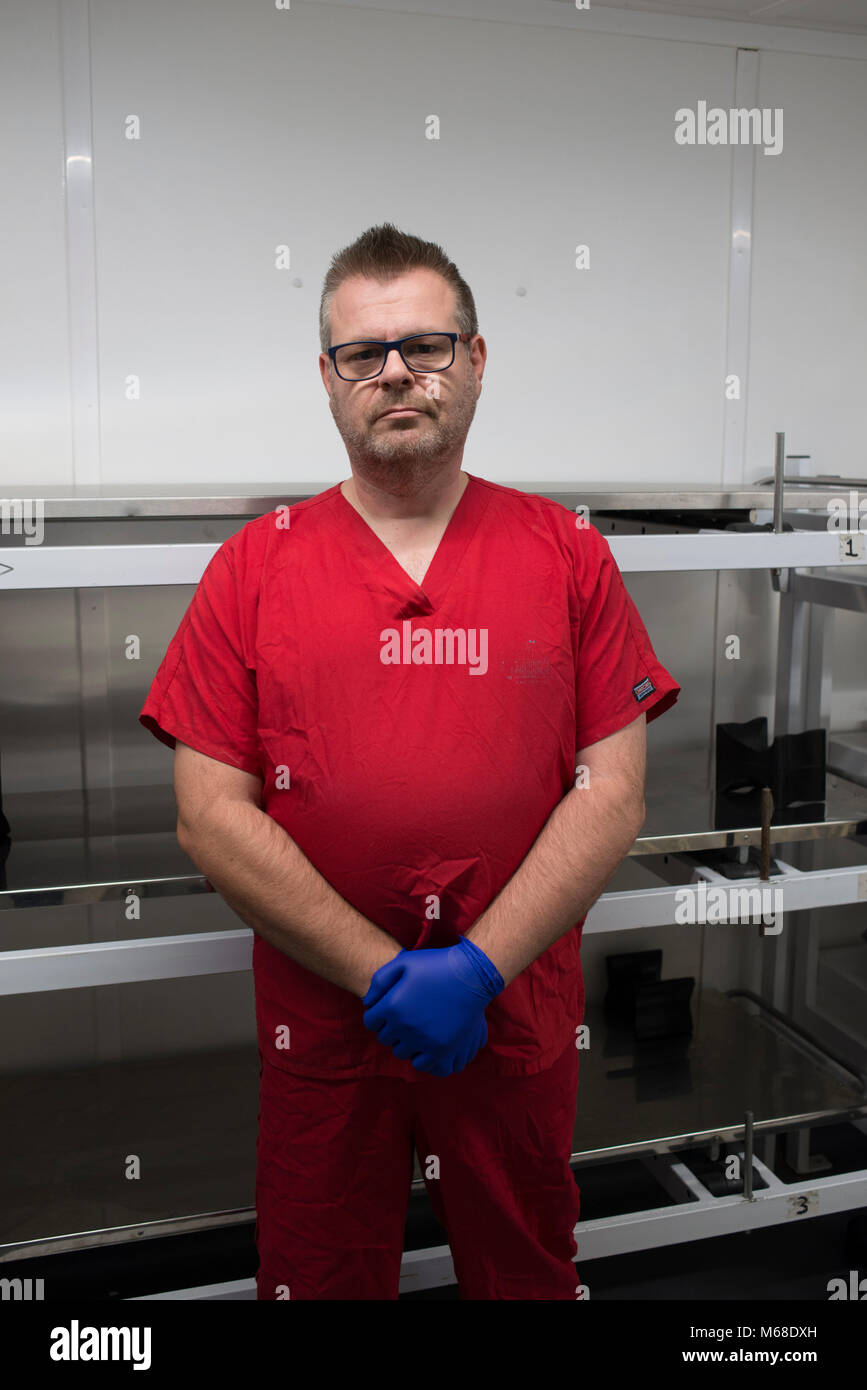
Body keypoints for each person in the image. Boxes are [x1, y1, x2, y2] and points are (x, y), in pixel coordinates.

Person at [139, 222, 680, 1300]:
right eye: (361, 352)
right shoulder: (252, 570)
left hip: (512, 1008)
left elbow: (613, 792)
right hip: (328, 1022)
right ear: (329, 381)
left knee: (525, 1265)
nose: (395, 370)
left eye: (426, 345)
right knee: (320, 1273)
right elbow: (210, 815)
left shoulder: (567, 555)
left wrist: (476, 969)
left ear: (475, 362)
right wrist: (381, 972)